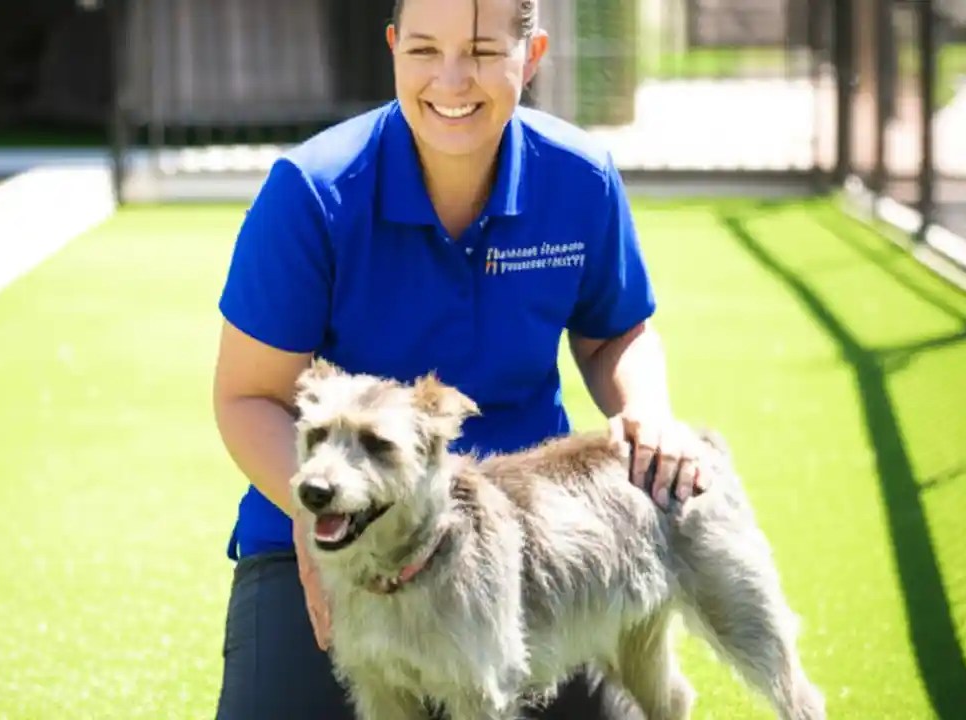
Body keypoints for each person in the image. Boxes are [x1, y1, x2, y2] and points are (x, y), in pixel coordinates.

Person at [210, 0, 713, 716]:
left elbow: (615, 334)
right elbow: (247, 395)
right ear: (392, 50)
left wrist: (649, 412)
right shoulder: (312, 191)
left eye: (480, 50)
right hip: (333, 539)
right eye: (423, 50)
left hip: (525, 543)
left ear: (532, 55)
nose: (450, 80)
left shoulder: (578, 176)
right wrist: (314, 510)